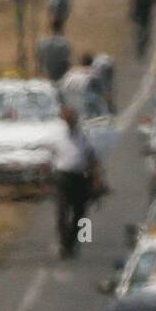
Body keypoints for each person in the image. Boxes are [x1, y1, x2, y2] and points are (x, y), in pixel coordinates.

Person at [52, 104, 98, 259]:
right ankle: (64, 245)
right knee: (62, 213)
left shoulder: (84, 136)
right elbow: (50, 157)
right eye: (67, 119)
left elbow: (92, 157)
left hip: (80, 178)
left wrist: (96, 178)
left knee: (80, 213)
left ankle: (72, 242)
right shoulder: (56, 135)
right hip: (62, 177)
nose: (69, 122)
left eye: (72, 119)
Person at [35, 17, 72, 83]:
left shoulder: (43, 42)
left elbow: (39, 59)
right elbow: (67, 63)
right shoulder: (64, 43)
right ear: (61, 27)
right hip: (60, 79)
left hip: (45, 78)